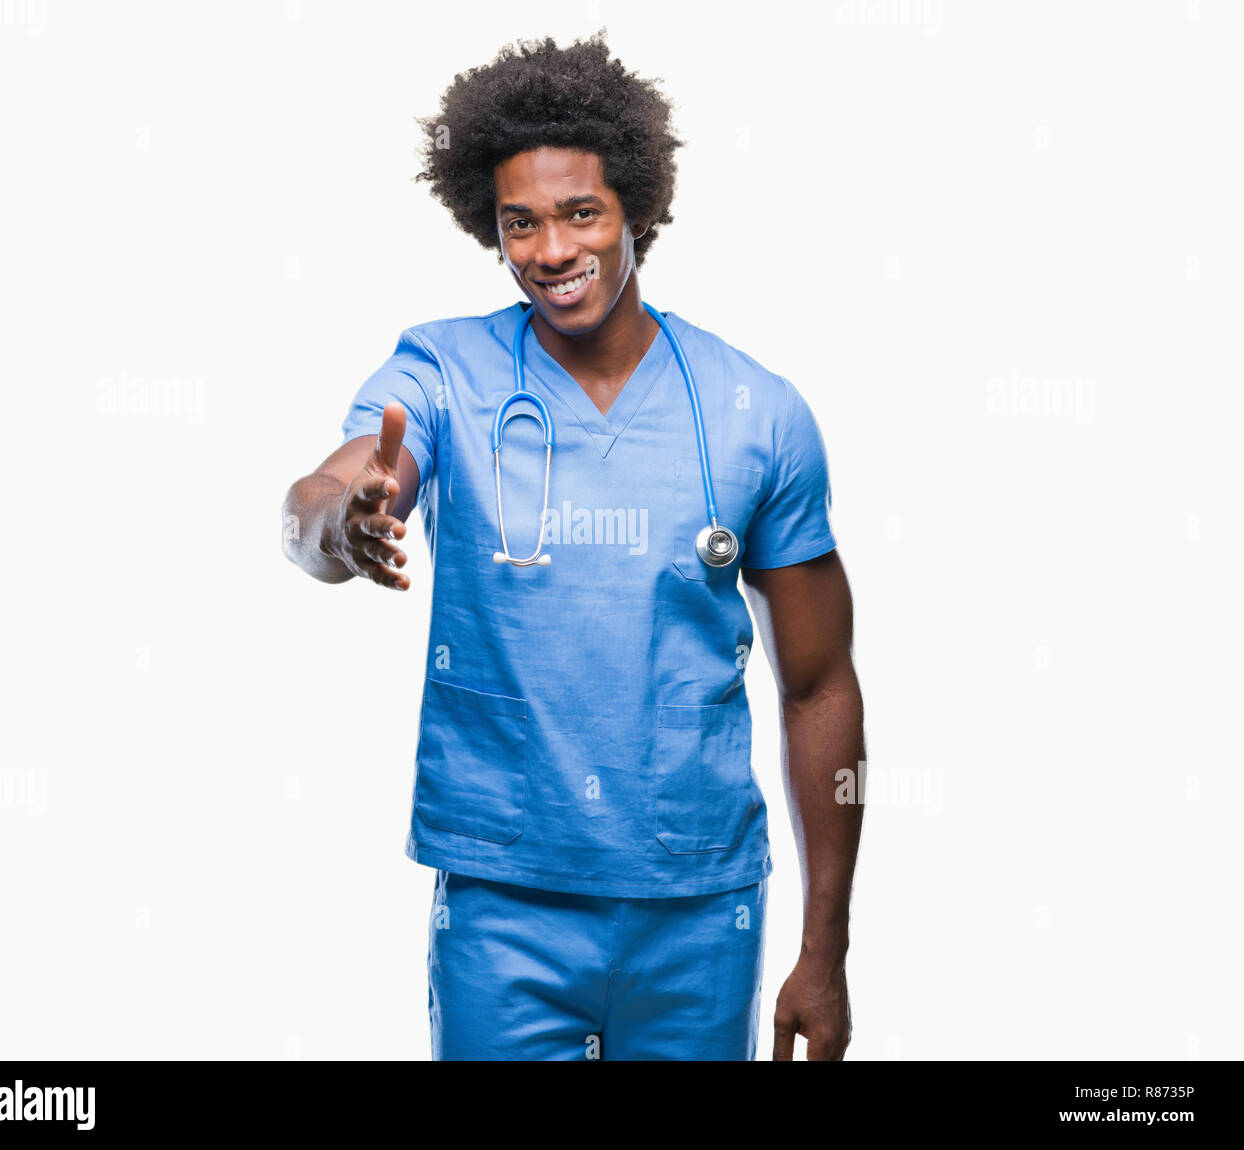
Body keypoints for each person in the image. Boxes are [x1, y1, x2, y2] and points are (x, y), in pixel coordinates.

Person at [282, 30, 866, 1061]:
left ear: (636, 207)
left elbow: (818, 686)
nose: (550, 250)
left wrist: (824, 954)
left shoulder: (752, 412)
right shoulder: (445, 371)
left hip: (698, 908)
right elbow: (332, 491)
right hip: (503, 906)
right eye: (520, 222)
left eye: (580, 213)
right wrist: (338, 515)